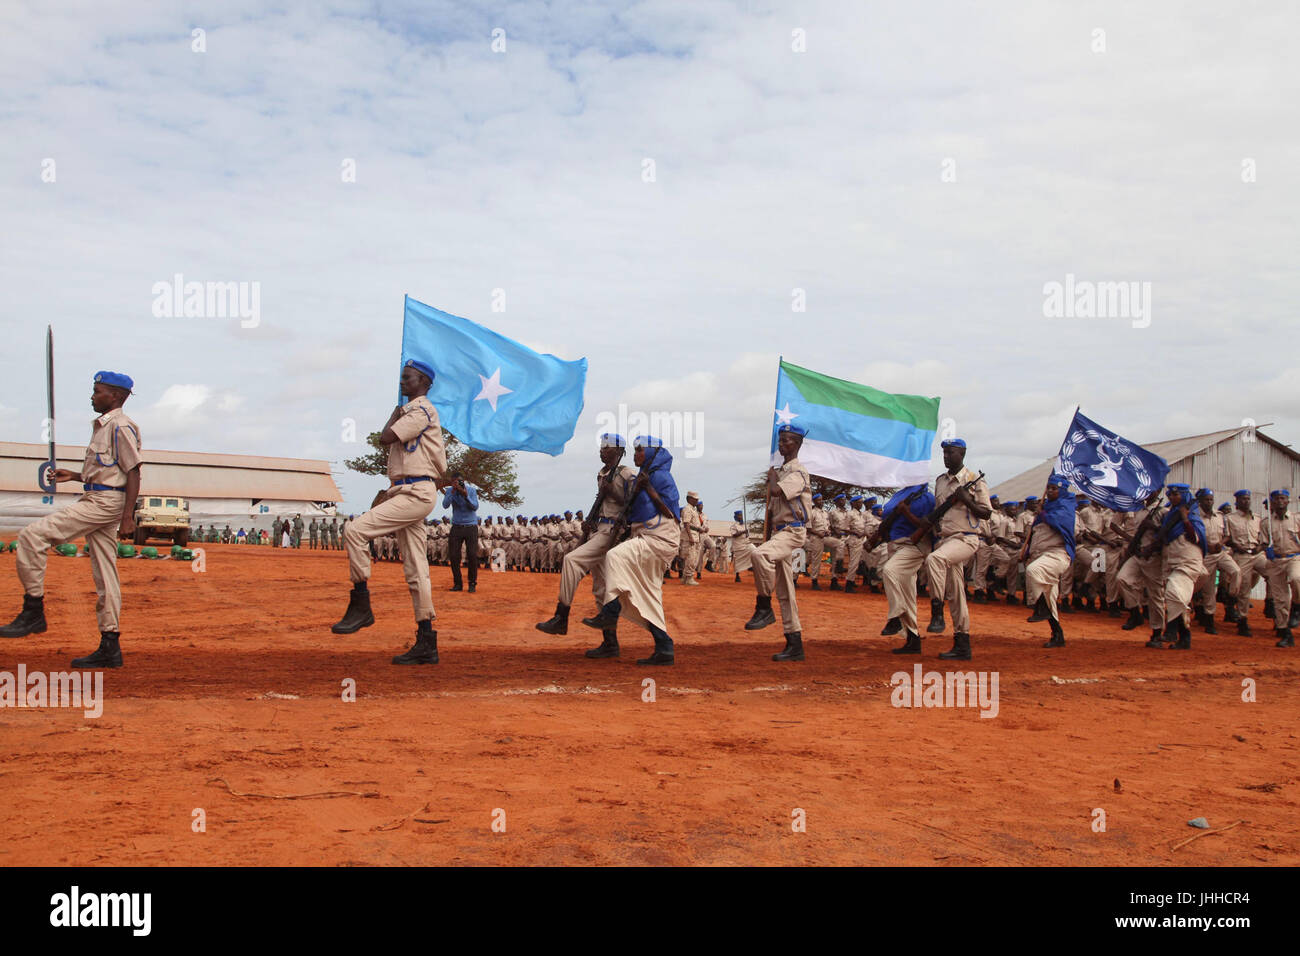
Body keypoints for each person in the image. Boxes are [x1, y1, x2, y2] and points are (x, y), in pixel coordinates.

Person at [0, 370, 142, 669]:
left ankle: (33, 611)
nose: (92, 396)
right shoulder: (103, 427)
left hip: (104, 504)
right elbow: (110, 471)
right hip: (98, 496)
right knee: (105, 571)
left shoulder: (120, 427)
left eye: (97, 391)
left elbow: (133, 472)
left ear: (115, 396)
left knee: (32, 536)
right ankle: (110, 645)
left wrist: (127, 517)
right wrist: (76, 476)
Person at [332, 359, 447, 665]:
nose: (401, 382)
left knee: (354, 531)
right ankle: (426, 640)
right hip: (406, 490)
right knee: (416, 569)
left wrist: (393, 414)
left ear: (422, 381)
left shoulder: (421, 411)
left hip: (416, 491)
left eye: (407, 378)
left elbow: (386, 437)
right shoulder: (414, 411)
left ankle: (361, 603)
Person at [583, 435, 681, 664]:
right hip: (646, 535)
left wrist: (649, 489)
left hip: (660, 538)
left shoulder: (661, 476)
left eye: (639, 450)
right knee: (646, 595)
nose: (635, 454)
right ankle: (664, 646)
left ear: (650, 453)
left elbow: (670, 512)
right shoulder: (642, 477)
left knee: (614, 556)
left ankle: (610, 611)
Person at [537, 434, 638, 635]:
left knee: (572, 561)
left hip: (612, 532)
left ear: (618, 451)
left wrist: (613, 493)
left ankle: (561, 616)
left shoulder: (627, 474)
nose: (601, 451)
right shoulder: (601, 474)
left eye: (606, 448)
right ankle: (610, 643)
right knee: (601, 587)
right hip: (599, 529)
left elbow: (633, 504)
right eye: (601, 448)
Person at [744, 423, 813, 662]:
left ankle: (763, 606)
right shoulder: (783, 471)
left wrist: (772, 479)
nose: (782, 445)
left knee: (759, 556)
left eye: (787, 441)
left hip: (793, 532)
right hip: (780, 532)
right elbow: (773, 510)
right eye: (780, 440)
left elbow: (777, 493)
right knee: (786, 592)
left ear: (798, 444)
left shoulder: (798, 472)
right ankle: (795, 643)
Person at [922, 438, 992, 660]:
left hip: (966, 538)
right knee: (957, 594)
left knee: (934, 560)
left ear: (962, 454)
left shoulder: (974, 480)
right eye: (943, 453)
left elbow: (986, 512)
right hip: (945, 540)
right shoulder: (941, 481)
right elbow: (938, 511)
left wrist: (966, 499)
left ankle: (936, 612)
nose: (945, 457)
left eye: (950, 453)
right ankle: (962, 643)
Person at [874, 482, 937, 653]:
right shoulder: (899, 495)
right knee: (908, 594)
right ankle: (913, 639)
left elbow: (928, 525)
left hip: (914, 546)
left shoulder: (927, 497)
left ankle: (895, 616)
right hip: (895, 545)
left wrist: (906, 512)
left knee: (889, 570)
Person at [1023, 474, 1077, 647]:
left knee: (1033, 571)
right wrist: (1027, 550)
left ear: (1062, 490)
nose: (1051, 491)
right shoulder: (1045, 508)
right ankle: (1057, 634)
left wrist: (1043, 513)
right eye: (1050, 488)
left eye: (1055, 488)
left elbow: (1060, 522)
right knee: (1049, 596)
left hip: (1057, 554)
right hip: (1040, 554)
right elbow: (1036, 533)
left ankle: (1040, 608)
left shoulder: (1066, 506)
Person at [1259, 489, 1300, 648]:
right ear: (1272, 502)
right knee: (1280, 598)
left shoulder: (1296, 518)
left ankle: (1296, 606)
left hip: (1294, 557)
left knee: (1297, 579)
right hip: (1275, 561)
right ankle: (1285, 633)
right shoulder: (1266, 522)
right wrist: (1264, 549)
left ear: (1288, 501)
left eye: (1283, 498)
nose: (1279, 501)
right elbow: (1263, 542)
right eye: (1276, 499)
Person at [442, 471, 480, 592]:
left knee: (472, 555)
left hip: (471, 526)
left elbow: (475, 506)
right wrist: (453, 492)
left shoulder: (472, 490)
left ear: (463, 481)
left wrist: (465, 495)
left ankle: (472, 583)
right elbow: (445, 505)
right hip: (456, 526)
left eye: (459, 481)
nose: (457, 483)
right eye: (454, 482)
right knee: (453, 556)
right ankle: (458, 583)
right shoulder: (449, 491)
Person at [804, 494, 829, 589]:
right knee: (816, 560)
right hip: (815, 537)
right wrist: (819, 534)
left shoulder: (825, 513)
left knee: (839, 544)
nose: (821, 501)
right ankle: (814, 581)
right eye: (818, 500)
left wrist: (827, 531)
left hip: (825, 537)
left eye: (822, 500)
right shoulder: (812, 513)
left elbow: (827, 525)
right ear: (814, 501)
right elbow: (808, 528)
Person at [677, 492, 703, 585]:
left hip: (695, 535)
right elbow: (686, 524)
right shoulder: (687, 509)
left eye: (697, 499)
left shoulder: (693, 510)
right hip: (690, 537)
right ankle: (689, 577)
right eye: (694, 499)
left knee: (693, 557)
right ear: (689, 499)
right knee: (691, 558)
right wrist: (690, 537)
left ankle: (685, 578)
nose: (697, 501)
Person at [729, 510, 754, 583]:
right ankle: (737, 576)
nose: (741, 516)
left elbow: (747, 535)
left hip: (746, 543)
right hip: (738, 545)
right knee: (737, 561)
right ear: (736, 517)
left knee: (754, 550)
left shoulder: (745, 525)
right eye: (739, 515)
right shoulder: (733, 526)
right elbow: (734, 534)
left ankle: (750, 566)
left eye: (741, 515)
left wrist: (746, 533)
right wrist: (743, 532)